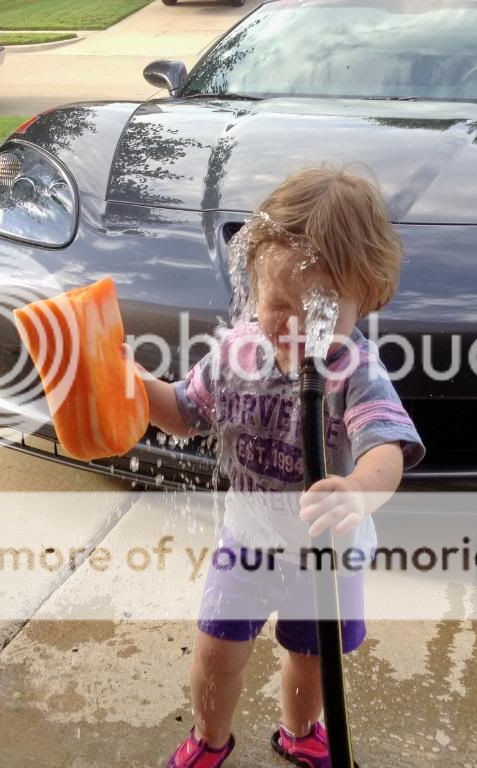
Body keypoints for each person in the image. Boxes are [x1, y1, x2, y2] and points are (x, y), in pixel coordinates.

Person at [138, 167, 425, 768]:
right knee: (216, 651)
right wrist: (134, 387)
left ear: (364, 296)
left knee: (312, 657)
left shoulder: (356, 371)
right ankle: (209, 737)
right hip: (249, 540)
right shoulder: (236, 354)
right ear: (254, 286)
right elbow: (185, 413)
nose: (294, 324)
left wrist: (357, 492)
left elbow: (385, 450)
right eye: (277, 303)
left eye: (320, 309)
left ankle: (299, 731)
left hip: (328, 552)